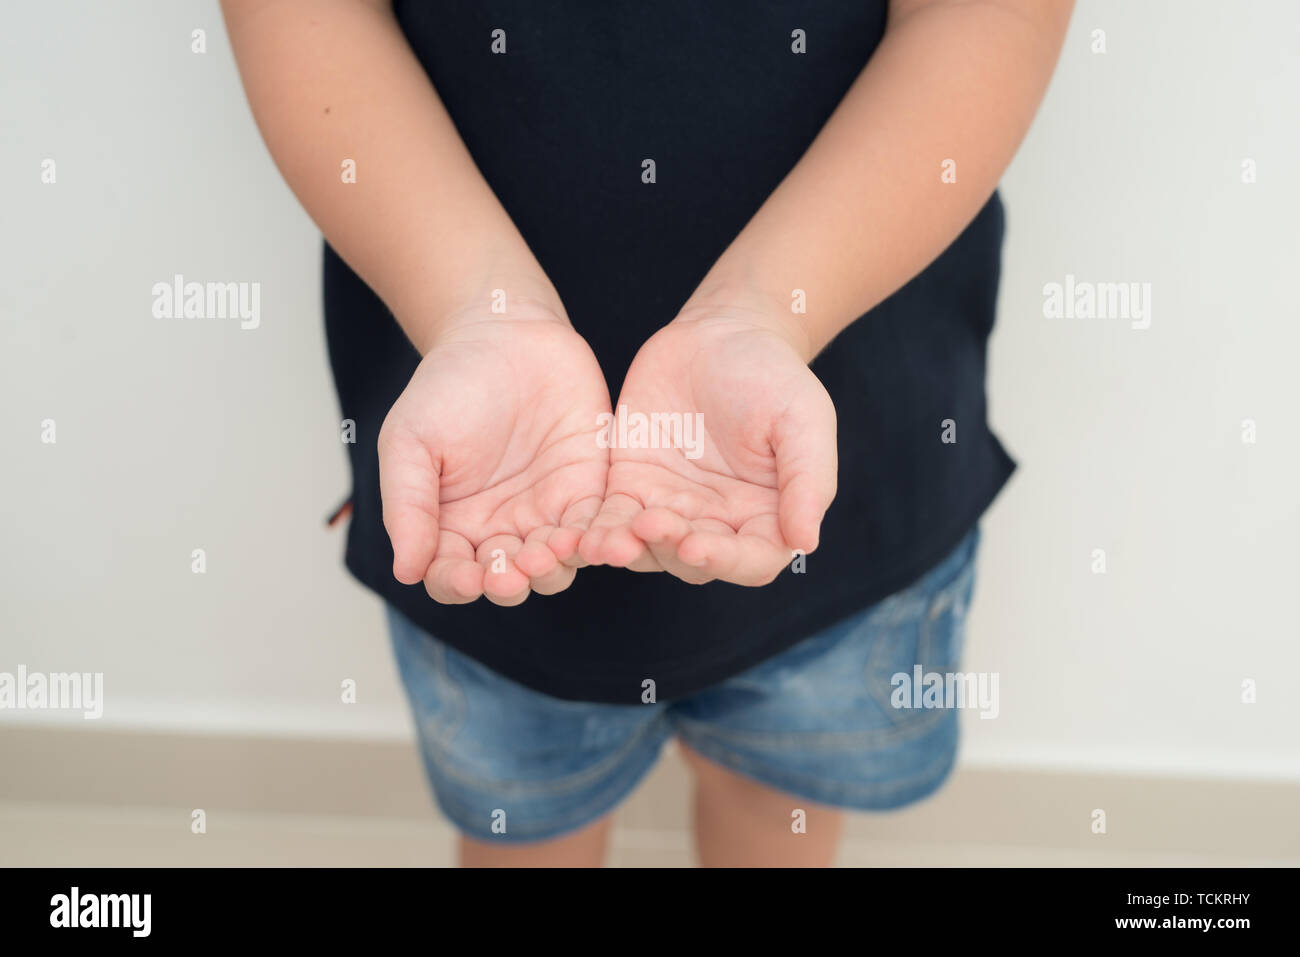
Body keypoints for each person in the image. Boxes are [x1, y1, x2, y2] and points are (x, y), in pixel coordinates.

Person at [222, 0, 1073, 866]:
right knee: (529, 839)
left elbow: (987, 19)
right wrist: (477, 309)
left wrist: (770, 312)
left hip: (836, 473)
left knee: (779, 814)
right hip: (483, 489)